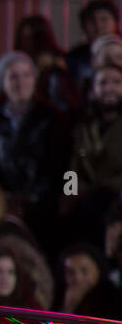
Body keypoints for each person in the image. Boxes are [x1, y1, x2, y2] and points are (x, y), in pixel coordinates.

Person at [0, 50, 69, 247]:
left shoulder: (54, 117)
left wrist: (68, 195)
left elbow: (68, 165)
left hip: (46, 203)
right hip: (7, 202)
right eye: (13, 77)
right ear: (2, 83)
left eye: (26, 75)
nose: (20, 82)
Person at [67, 61, 122, 242]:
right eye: (103, 83)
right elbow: (73, 168)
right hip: (87, 204)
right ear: (92, 90)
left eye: (116, 82)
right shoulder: (82, 126)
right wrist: (70, 194)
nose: (109, 89)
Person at [66, 0, 119, 89]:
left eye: (104, 19)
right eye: (92, 21)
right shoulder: (74, 57)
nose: (98, 25)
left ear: (115, 22)